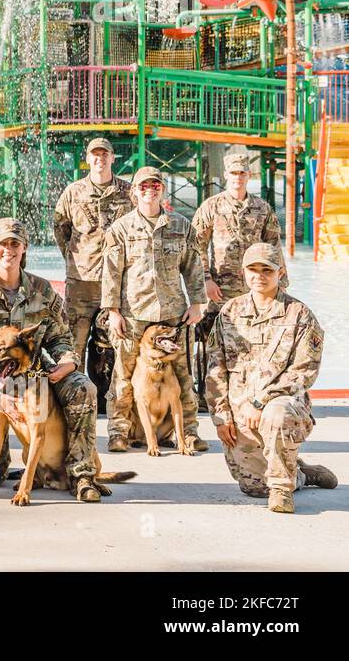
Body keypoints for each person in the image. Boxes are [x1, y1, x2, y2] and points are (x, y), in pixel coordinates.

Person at [0, 218, 104, 501]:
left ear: (24, 249)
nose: (8, 250)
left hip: (36, 373)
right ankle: (12, 465)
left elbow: (60, 338)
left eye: (15, 244)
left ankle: (82, 474)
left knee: (83, 388)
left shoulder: (42, 290)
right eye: (2, 244)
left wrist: (67, 361)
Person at [205, 244, 338, 513]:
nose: (259, 275)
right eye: (252, 269)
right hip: (240, 412)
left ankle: (282, 491)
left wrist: (260, 401)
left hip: (282, 406)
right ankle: (301, 474)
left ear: (281, 273)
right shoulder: (230, 312)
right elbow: (214, 369)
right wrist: (221, 416)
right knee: (253, 487)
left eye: (267, 270)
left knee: (276, 413)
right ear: (243, 273)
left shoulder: (299, 315)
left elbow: (304, 370)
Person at [100, 165, 208, 453]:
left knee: (184, 375)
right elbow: (111, 272)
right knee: (123, 375)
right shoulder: (121, 229)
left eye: (155, 185)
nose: (150, 190)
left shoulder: (181, 226)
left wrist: (197, 303)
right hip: (134, 313)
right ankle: (119, 431)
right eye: (144, 186)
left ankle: (188, 432)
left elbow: (193, 267)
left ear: (163, 190)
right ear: (134, 192)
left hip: (173, 312)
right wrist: (112, 311)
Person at [52, 137, 132, 374]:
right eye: (95, 155)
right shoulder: (73, 192)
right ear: (87, 159)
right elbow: (60, 229)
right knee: (75, 341)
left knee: (117, 341)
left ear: (112, 158)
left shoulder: (128, 192)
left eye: (104, 154)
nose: (100, 159)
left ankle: (113, 397)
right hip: (82, 283)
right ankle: (77, 395)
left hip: (118, 282)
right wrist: (76, 258)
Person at [192, 151, 282, 342]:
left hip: (255, 289)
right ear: (226, 174)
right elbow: (196, 246)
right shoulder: (211, 207)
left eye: (242, 173)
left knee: (254, 341)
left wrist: (279, 287)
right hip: (220, 291)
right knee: (215, 345)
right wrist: (205, 280)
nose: (238, 178)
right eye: (234, 173)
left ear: (249, 175)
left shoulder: (262, 208)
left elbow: (274, 249)